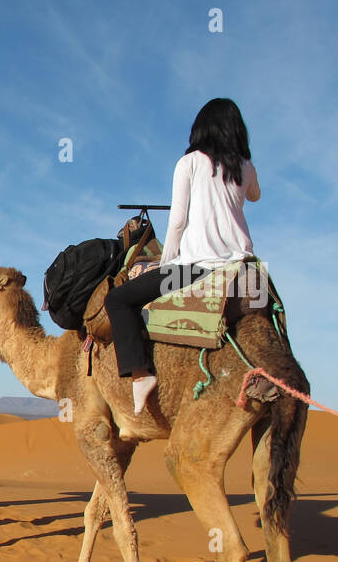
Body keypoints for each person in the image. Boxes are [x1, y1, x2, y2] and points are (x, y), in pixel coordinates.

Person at [106, 97, 262, 413]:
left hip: (197, 267)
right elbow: (255, 196)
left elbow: (177, 220)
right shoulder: (246, 169)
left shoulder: (188, 163)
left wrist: (166, 264)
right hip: (245, 267)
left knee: (118, 300)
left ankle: (139, 376)